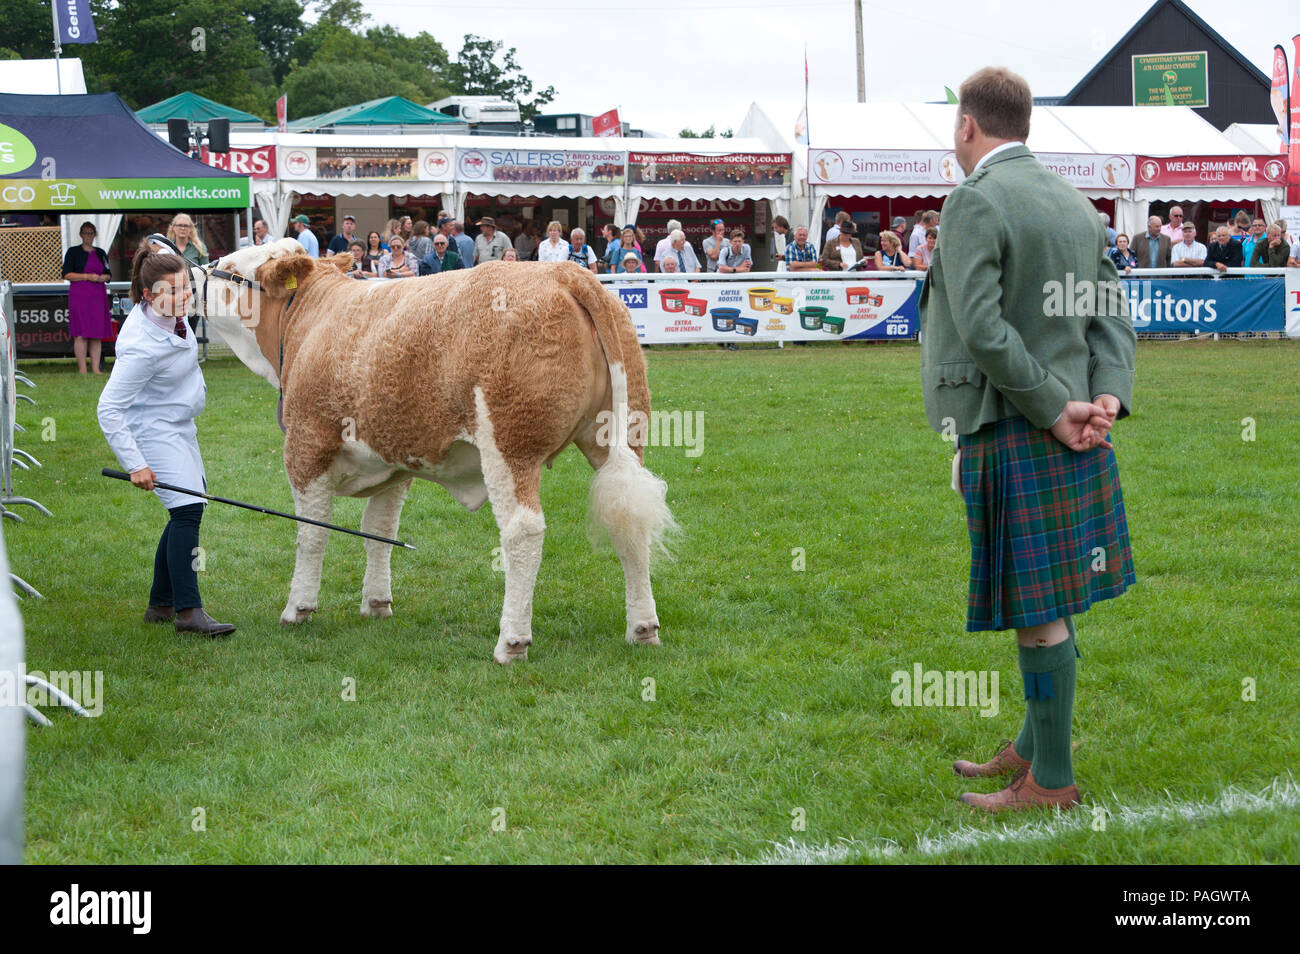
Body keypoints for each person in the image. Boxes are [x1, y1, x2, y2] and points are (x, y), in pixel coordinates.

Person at [922, 66, 1135, 813]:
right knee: (1048, 593)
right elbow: (1110, 312)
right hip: (1072, 423)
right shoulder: (1077, 203)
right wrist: (1106, 392)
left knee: (1036, 605)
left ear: (966, 125)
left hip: (1017, 422)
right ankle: (1032, 745)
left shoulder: (975, 201)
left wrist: (1051, 407)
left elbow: (982, 328)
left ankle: (1050, 783)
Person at [97, 241, 236, 637]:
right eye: (172, 292)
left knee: (185, 509)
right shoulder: (141, 347)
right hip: (153, 430)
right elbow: (108, 409)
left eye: (185, 288)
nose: (183, 297)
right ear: (148, 295)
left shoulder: (169, 313)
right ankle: (189, 612)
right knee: (188, 511)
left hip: (178, 425)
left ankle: (160, 604)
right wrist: (136, 464)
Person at [62, 221, 114, 375]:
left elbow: (108, 274)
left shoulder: (100, 252)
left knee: (96, 333)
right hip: (80, 295)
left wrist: (101, 277)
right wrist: (86, 276)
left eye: (91, 233)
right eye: (85, 233)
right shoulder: (73, 252)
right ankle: (82, 369)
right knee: (81, 333)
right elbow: (66, 274)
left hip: (98, 296)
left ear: (95, 234)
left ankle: (96, 368)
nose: (88, 236)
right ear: (80, 234)